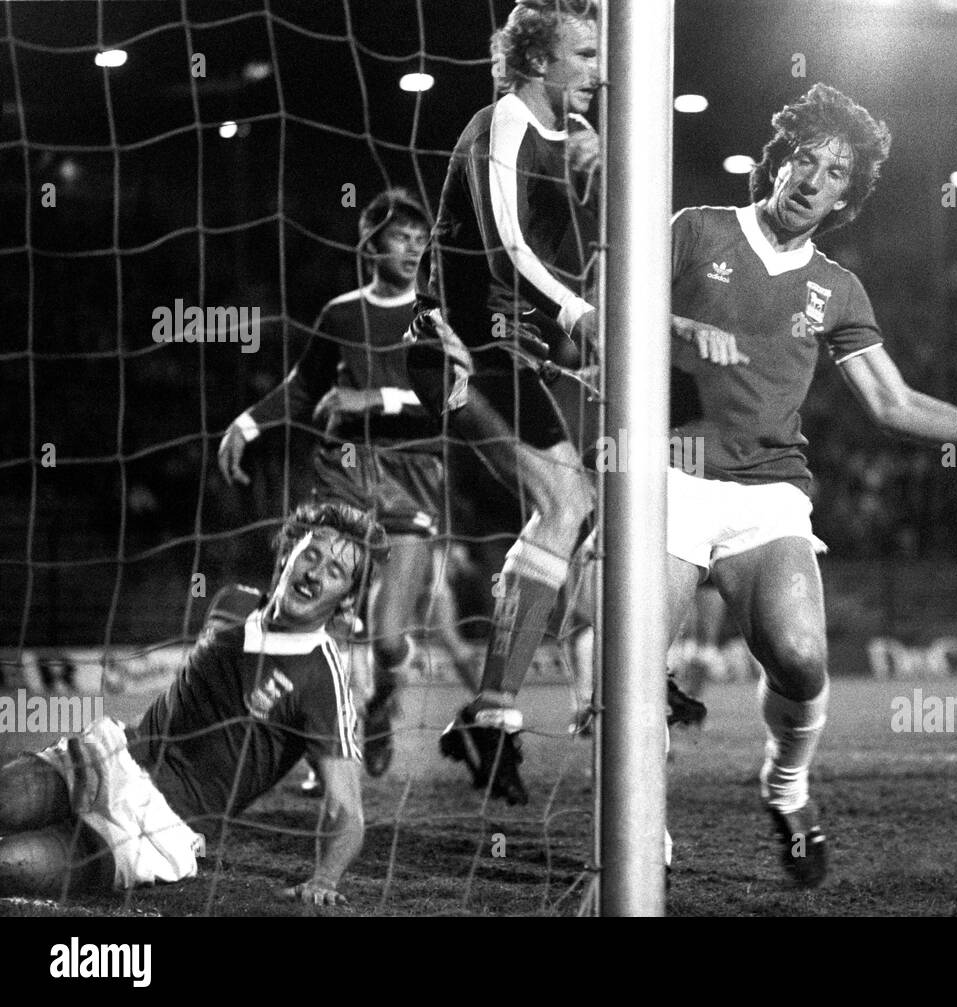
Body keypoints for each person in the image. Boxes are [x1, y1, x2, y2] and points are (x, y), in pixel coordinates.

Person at [662, 83, 957, 887]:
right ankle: (642, 837)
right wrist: (679, 329)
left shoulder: (838, 288)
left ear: (847, 197)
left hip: (767, 491)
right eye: (804, 158)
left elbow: (894, 402)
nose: (811, 177)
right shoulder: (698, 229)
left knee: (802, 657)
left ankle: (786, 785)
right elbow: (616, 307)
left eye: (833, 171)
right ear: (779, 161)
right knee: (639, 670)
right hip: (668, 473)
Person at [407, 0, 701, 807]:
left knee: (586, 507)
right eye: (583, 54)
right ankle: (554, 691)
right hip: (467, 345)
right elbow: (505, 244)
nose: (601, 70)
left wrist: (592, 185)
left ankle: (507, 703)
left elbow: (565, 263)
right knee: (569, 503)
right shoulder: (504, 118)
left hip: (517, 348)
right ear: (537, 62)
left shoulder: (560, 142)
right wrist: (578, 316)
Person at [0, 502, 387, 906]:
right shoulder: (231, 603)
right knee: (8, 796)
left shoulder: (322, 678)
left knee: (11, 864)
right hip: (113, 756)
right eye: (312, 554)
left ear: (346, 600)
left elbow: (347, 810)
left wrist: (324, 878)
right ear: (289, 550)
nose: (314, 573)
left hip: (157, 825)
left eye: (335, 571)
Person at [217, 188, 449, 779]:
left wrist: (380, 395)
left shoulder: (436, 314)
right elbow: (303, 385)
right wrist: (246, 424)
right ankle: (319, 748)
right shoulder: (342, 314)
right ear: (371, 244)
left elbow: (452, 401)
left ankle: (382, 703)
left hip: (414, 474)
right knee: (314, 607)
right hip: (344, 465)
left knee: (389, 637)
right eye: (401, 238)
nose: (413, 249)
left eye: (421, 241)